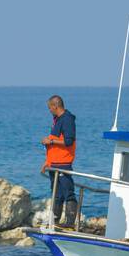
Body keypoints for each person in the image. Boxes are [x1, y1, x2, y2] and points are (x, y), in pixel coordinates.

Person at [42, 95, 77, 227]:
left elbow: (69, 141)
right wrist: (47, 162)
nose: (49, 110)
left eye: (50, 108)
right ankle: (55, 221)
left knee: (68, 192)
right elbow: (55, 144)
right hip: (54, 164)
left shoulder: (67, 119)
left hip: (63, 163)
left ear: (55, 106)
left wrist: (51, 141)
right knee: (56, 194)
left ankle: (70, 222)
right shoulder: (57, 120)